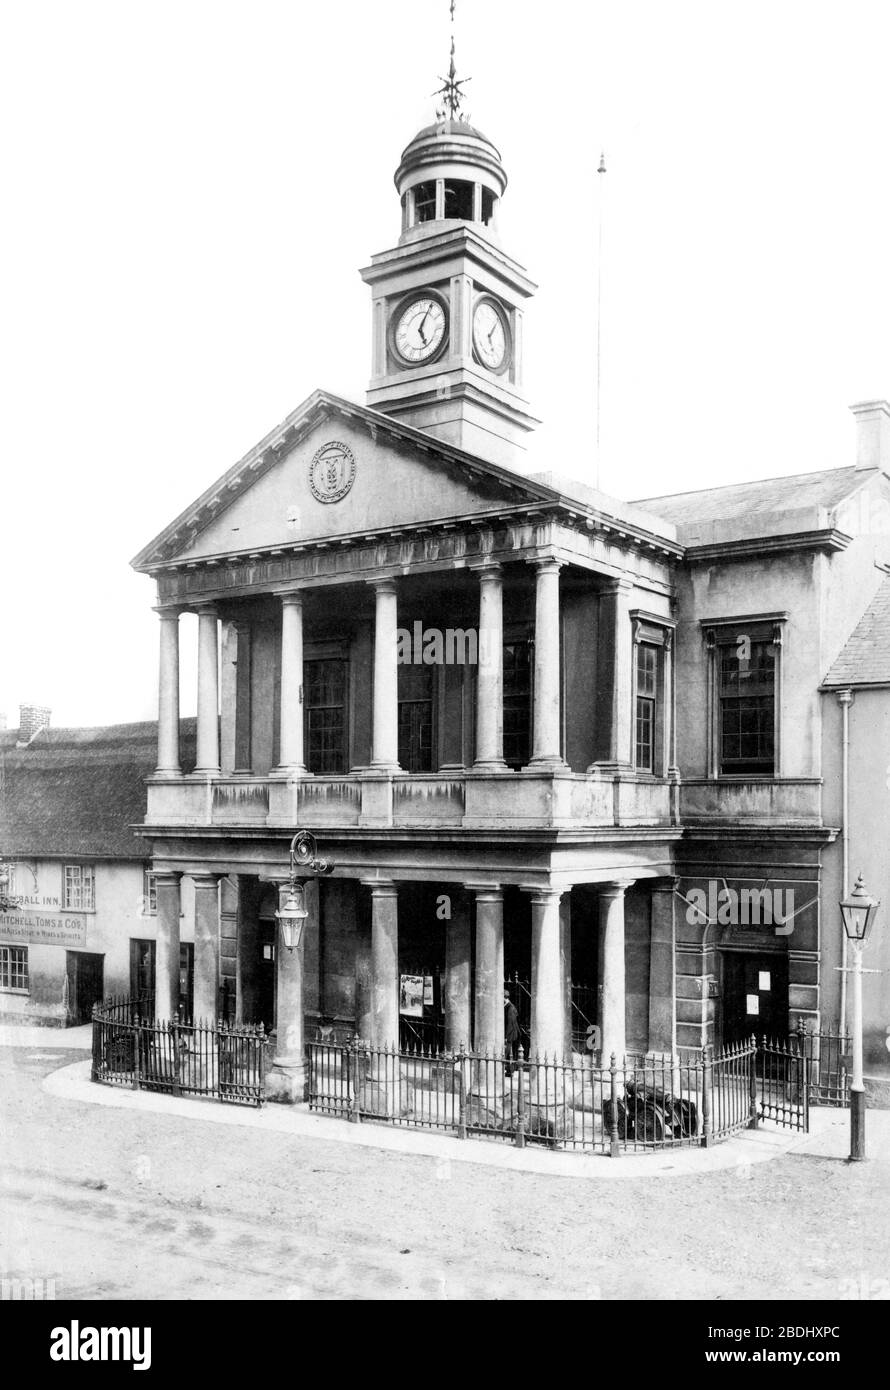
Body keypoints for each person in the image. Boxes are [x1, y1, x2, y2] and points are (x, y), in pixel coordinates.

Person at [504, 990, 520, 1074]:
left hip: (510, 1033)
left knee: (508, 1051)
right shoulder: (508, 1006)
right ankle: (509, 1070)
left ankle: (510, 1070)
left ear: (504, 998)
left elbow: (510, 1024)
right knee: (508, 1052)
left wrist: (506, 1036)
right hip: (510, 1033)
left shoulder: (510, 1008)